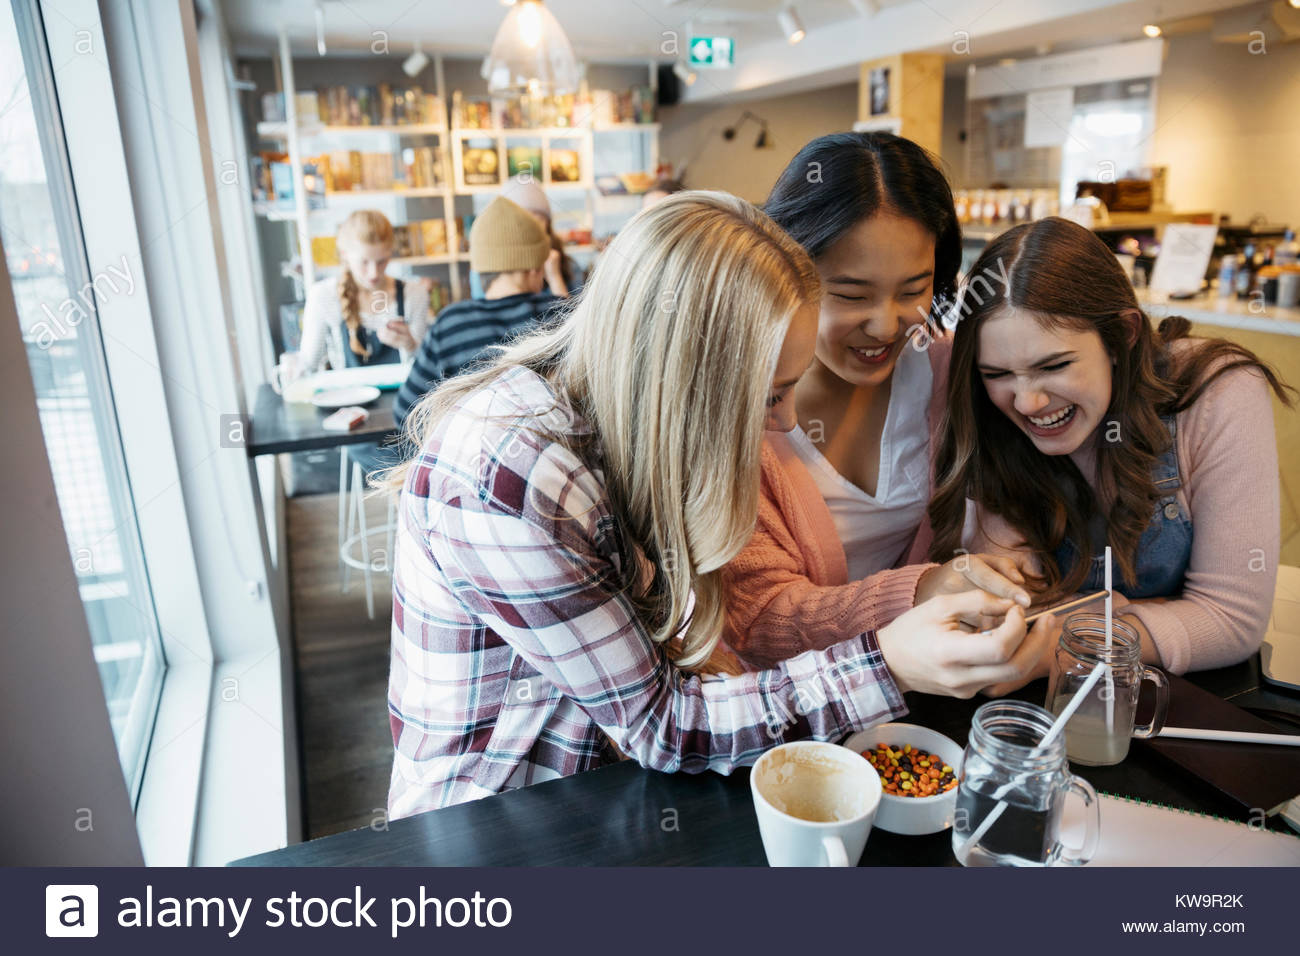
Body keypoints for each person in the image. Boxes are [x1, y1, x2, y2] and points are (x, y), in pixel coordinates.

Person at [382, 192, 1052, 815]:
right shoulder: (512, 479)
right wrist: (888, 661)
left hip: (615, 783)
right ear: (681, 382)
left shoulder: (632, 424)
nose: (788, 423)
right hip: (500, 819)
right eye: (768, 397)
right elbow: (663, 724)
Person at [929, 216, 1293, 679]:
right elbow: (1014, 610)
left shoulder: (1218, 392)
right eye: (998, 374)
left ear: (1124, 336)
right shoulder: (984, 413)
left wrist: (1067, 637)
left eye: (1054, 365)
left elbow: (1230, 620)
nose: (1027, 402)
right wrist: (1157, 613)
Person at [722, 132, 1031, 670]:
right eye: (850, 294)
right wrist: (921, 591)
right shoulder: (734, 403)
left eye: (914, 289)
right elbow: (757, 619)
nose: (887, 324)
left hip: (918, 696)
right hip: (767, 712)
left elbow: (1005, 514)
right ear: (780, 270)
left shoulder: (948, 371)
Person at [393, 197, 558, 432]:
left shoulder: (450, 324)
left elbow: (405, 414)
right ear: (534, 267)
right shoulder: (561, 315)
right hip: (557, 460)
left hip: (472, 461)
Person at [295, 210, 429, 375]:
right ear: (345, 255)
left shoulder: (414, 294)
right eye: (364, 262)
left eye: (382, 261)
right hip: (346, 398)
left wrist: (410, 345)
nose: (373, 273)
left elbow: (426, 367)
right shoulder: (322, 296)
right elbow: (309, 364)